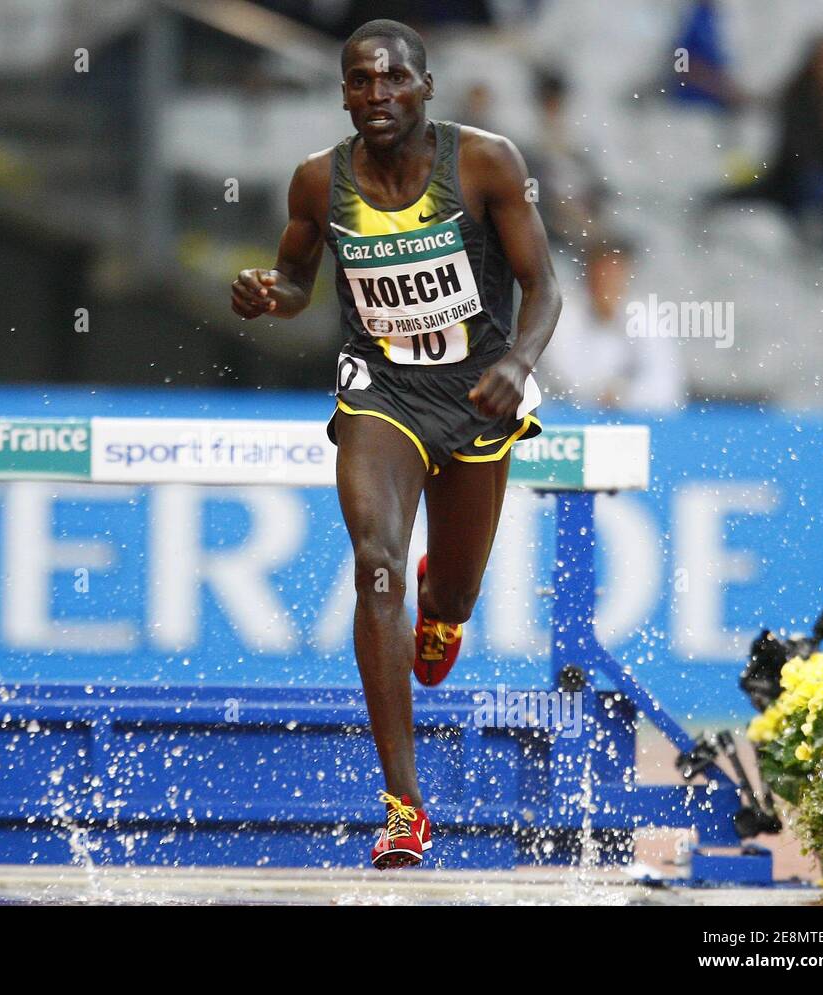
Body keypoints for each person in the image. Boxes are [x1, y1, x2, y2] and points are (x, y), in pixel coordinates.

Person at [230, 18, 561, 869]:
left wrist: (519, 363)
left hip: (479, 394)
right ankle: (404, 807)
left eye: (393, 81)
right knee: (375, 562)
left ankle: (440, 607)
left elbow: (542, 286)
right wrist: (272, 293)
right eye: (359, 83)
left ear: (425, 86)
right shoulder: (316, 181)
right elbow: (300, 278)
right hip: (383, 394)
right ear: (343, 93)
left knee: (447, 595)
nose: (376, 97)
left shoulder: (486, 162)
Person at [540, 242, 685, 411]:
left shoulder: (645, 314)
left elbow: (668, 387)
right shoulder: (563, 312)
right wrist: (604, 392)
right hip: (566, 415)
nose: (608, 283)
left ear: (627, 277)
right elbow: (563, 380)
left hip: (633, 416)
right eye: (601, 275)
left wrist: (623, 395)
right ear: (587, 276)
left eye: (615, 276)